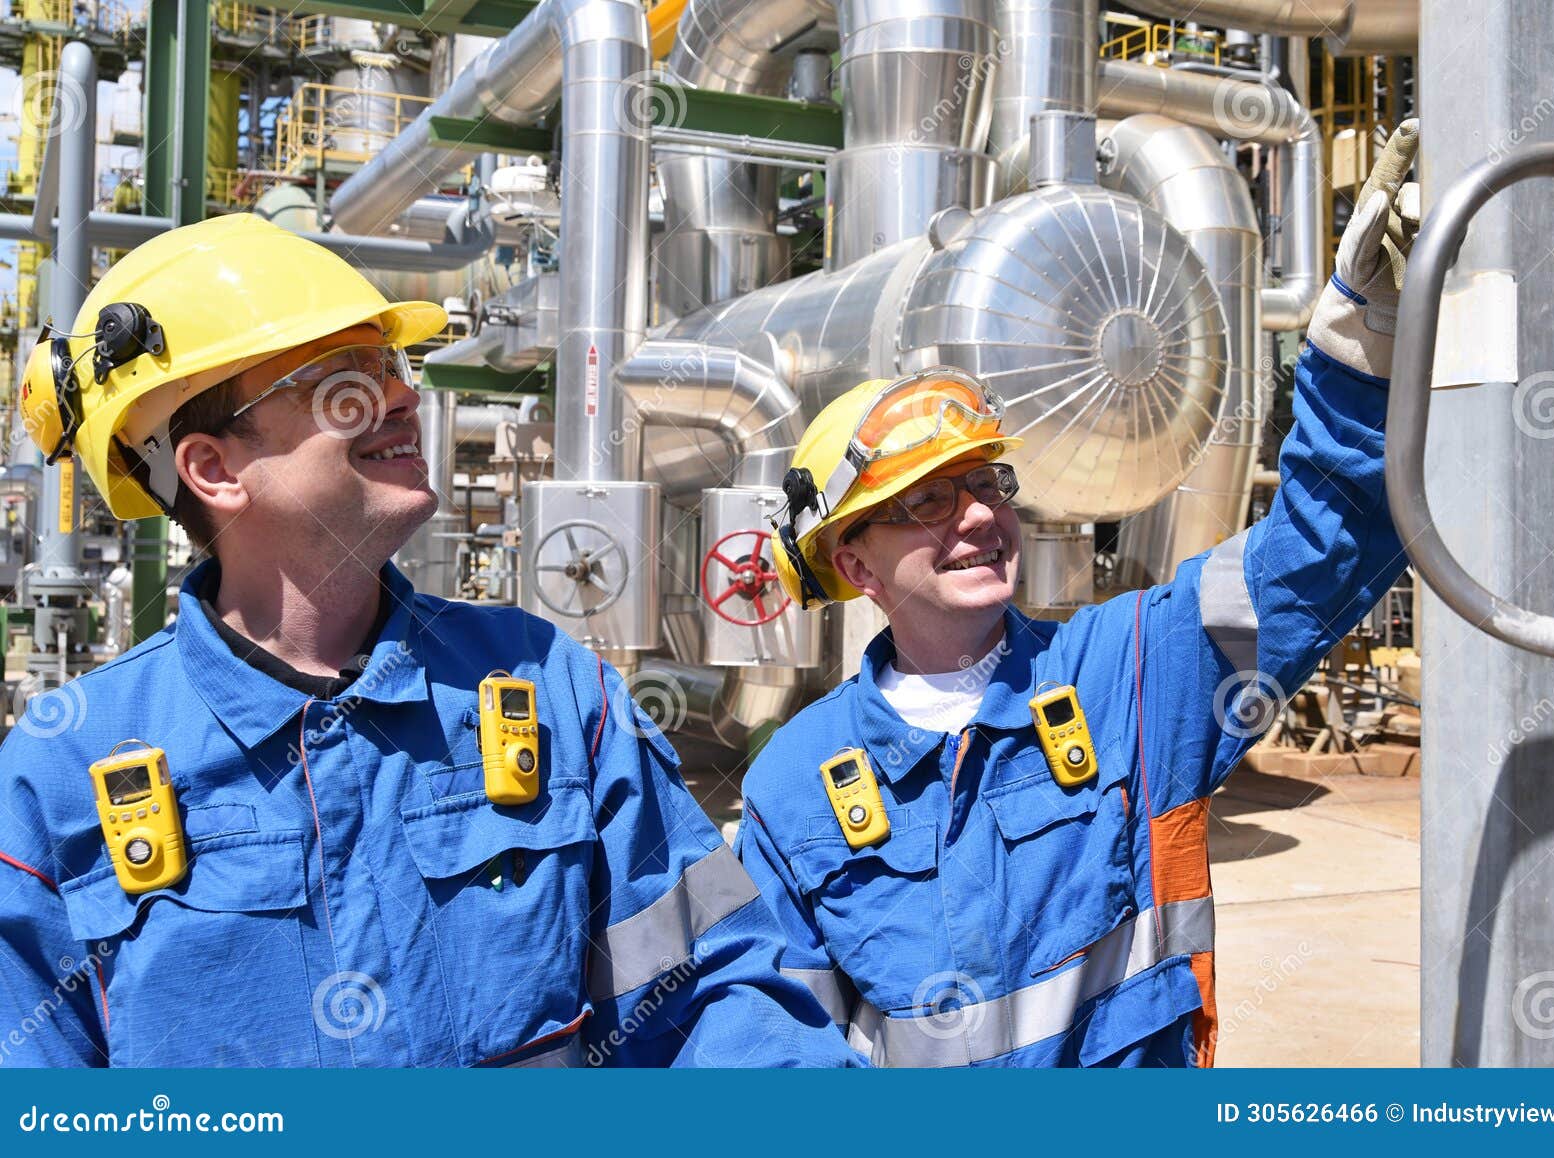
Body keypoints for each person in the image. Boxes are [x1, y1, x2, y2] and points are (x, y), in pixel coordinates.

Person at [0, 214, 857, 1068]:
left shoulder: (553, 690)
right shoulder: (61, 776)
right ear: (214, 470)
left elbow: (711, 987)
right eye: (342, 381)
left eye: (393, 366)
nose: (406, 396)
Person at [736, 121, 1421, 1067]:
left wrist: (1362, 344)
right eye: (927, 502)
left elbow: (1322, 544)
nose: (975, 518)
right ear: (853, 565)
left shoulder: (1137, 672)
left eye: (986, 486)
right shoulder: (794, 786)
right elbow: (775, 1047)